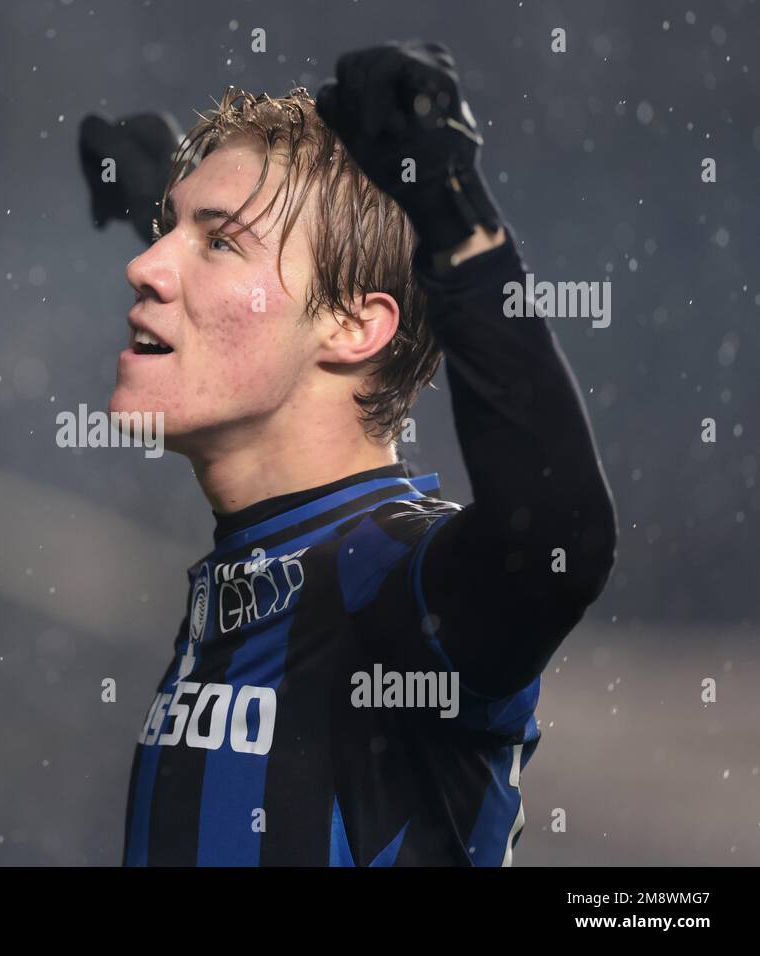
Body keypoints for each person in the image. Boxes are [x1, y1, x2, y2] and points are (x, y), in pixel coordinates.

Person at [78, 42, 617, 866]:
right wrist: (172, 198)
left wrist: (450, 211)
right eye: (165, 231)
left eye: (218, 242)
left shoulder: (389, 578)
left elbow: (558, 538)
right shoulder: (263, 562)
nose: (142, 265)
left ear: (355, 327)